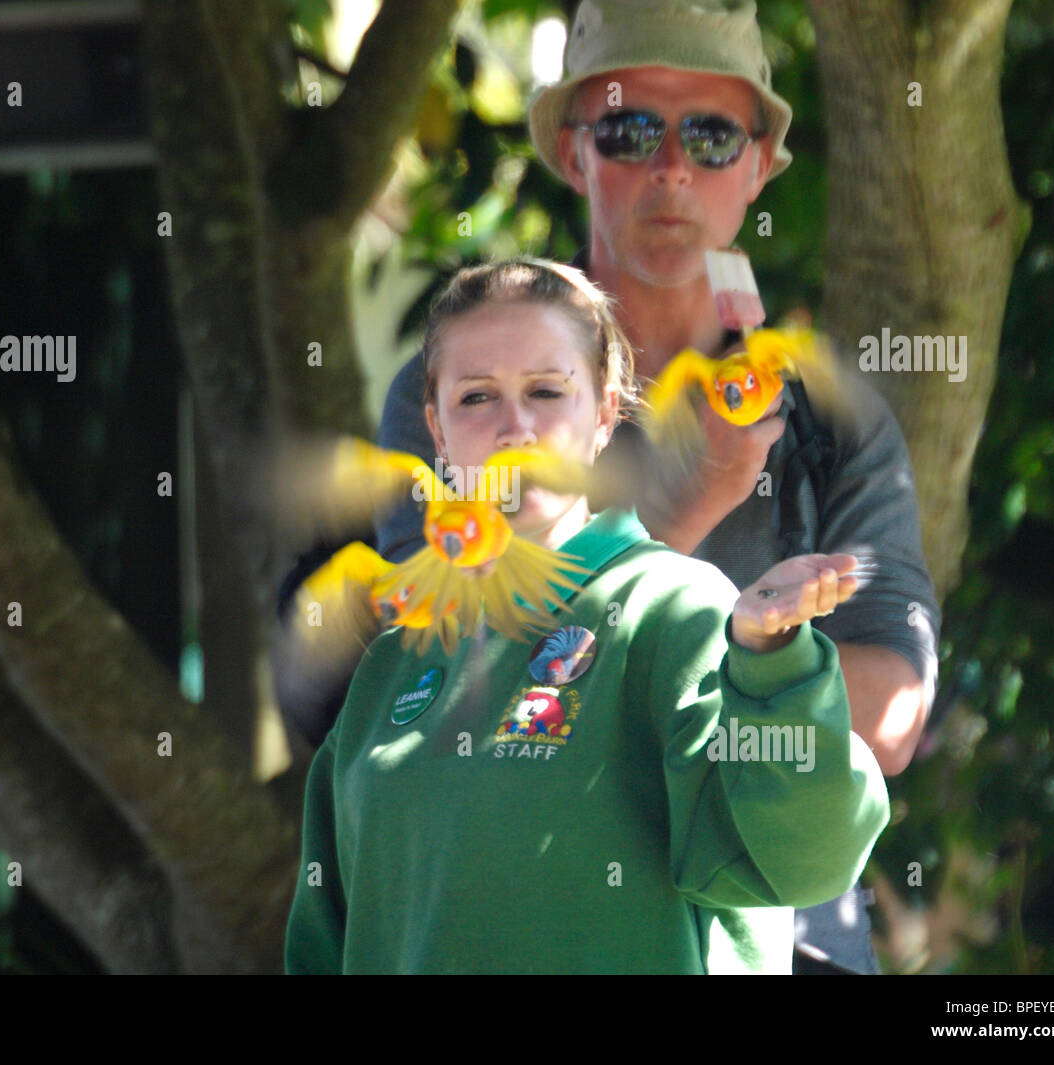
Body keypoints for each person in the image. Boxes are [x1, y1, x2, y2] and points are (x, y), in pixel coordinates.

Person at [372, 0, 940, 974]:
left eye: (712, 134)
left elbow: (888, 714)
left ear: (759, 164)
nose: (671, 168)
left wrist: (601, 683)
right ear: (570, 152)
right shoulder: (472, 395)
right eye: (631, 129)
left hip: (784, 931)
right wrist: (698, 502)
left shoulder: (827, 416)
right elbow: (421, 693)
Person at [285, 259, 889, 974]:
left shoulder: (677, 610)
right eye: (477, 397)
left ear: (604, 412)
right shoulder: (388, 668)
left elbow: (806, 858)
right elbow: (321, 948)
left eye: (546, 390)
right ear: (436, 432)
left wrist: (776, 662)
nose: (516, 428)